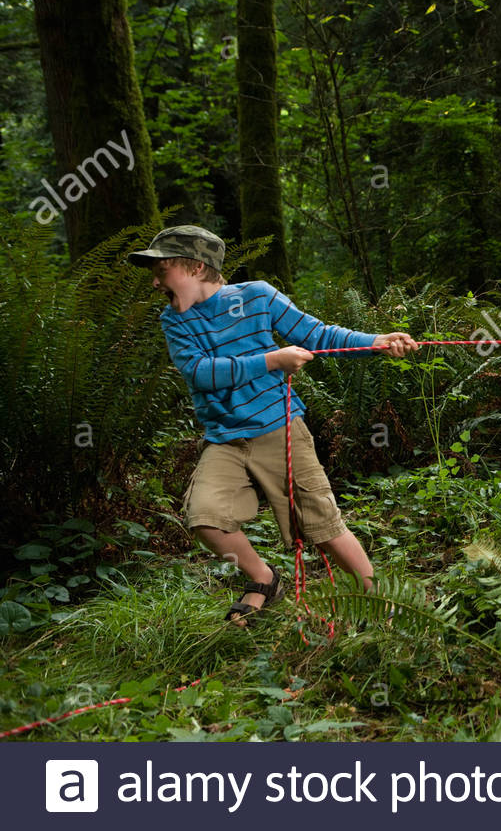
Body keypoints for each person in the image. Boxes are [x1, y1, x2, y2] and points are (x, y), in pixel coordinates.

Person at [127, 225, 417, 626]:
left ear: (195, 267)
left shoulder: (257, 297)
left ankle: (381, 602)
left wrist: (375, 341)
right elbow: (199, 373)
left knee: (323, 523)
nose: (156, 281)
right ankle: (263, 579)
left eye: (163, 270)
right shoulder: (175, 321)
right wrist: (272, 360)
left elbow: (316, 334)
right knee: (205, 516)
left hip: (279, 427)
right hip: (224, 440)